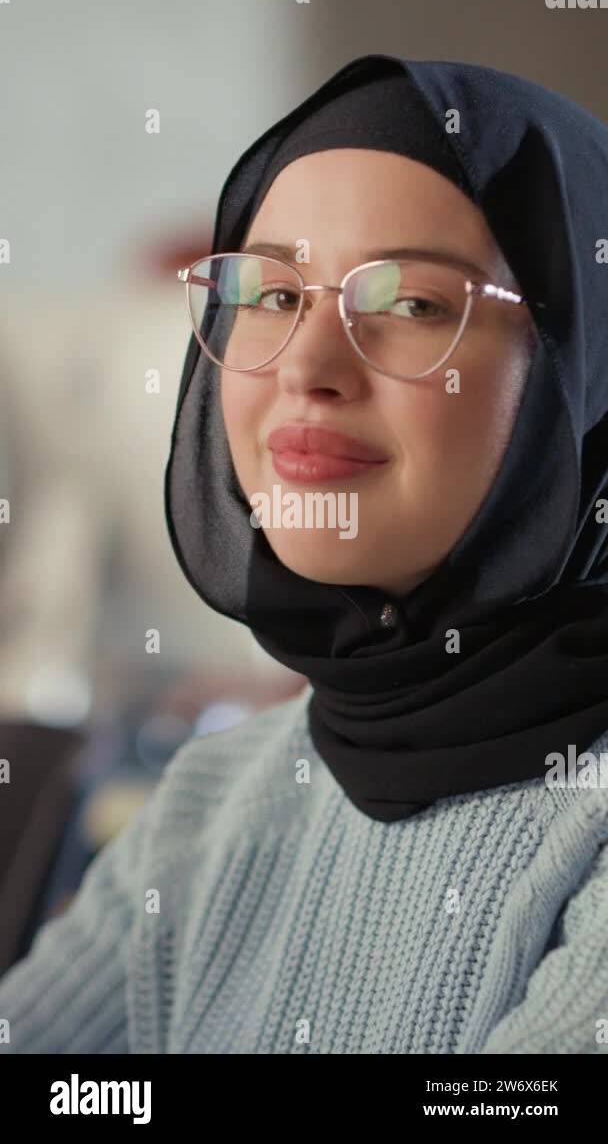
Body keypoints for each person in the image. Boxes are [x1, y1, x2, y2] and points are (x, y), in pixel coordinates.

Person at [1, 52, 608, 1055]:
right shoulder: (209, 801)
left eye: (412, 303)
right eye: (273, 296)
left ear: (581, 377)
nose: (305, 368)